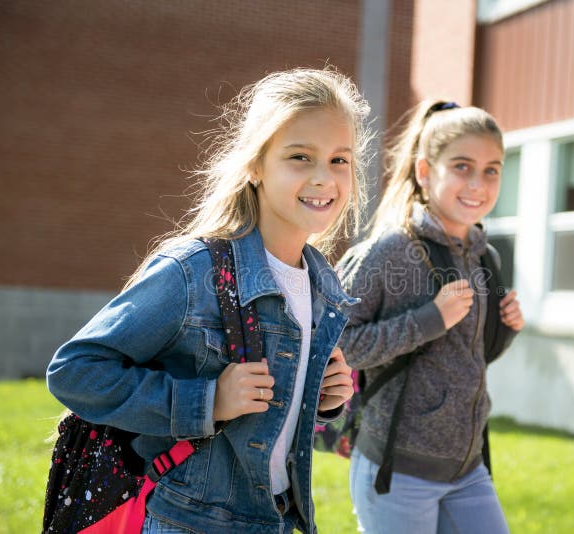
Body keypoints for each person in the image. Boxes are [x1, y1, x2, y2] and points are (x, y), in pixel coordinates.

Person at [46, 67, 370, 533]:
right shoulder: (194, 271)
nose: (324, 178)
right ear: (255, 165)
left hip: (276, 519)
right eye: (300, 156)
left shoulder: (321, 283)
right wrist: (209, 400)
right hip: (188, 521)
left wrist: (322, 399)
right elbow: (75, 371)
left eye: (340, 160)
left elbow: (267, 426)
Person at [336, 100, 525, 533]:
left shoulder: (486, 257)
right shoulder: (391, 252)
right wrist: (429, 319)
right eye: (462, 167)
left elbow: (466, 360)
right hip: (397, 472)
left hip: (468, 468)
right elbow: (338, 347)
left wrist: (505, 329)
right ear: (424, 171)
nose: (478, 184)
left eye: (491, 170)